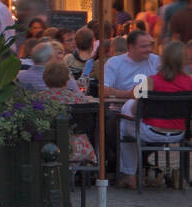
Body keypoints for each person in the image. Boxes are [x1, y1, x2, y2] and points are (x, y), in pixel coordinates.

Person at [117, 39, 192, 187]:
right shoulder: (189, 82)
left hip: (151, 131)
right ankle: (180, 177)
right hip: (179, 132)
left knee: (125, 123)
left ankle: (130, 175)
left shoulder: (150, 81)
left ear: (163, 58)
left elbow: (135, 110)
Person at [104, 30, 162, 189]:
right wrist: (129, 94)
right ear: (131, 47)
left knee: (155, 132)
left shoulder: (157, 61)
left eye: (150, 45)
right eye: (144, 46)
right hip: (118, 109)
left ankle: (133, 169)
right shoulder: (114, 63)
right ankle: (125, 167)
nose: (149, 49)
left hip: (149, 112)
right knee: (111, 126)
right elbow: (103, 90)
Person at [41, 61, 98, 167]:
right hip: (80, 147)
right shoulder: (78, 98)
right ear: (67, 80)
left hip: (49, 146)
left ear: (45, 79)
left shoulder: (40, 99)